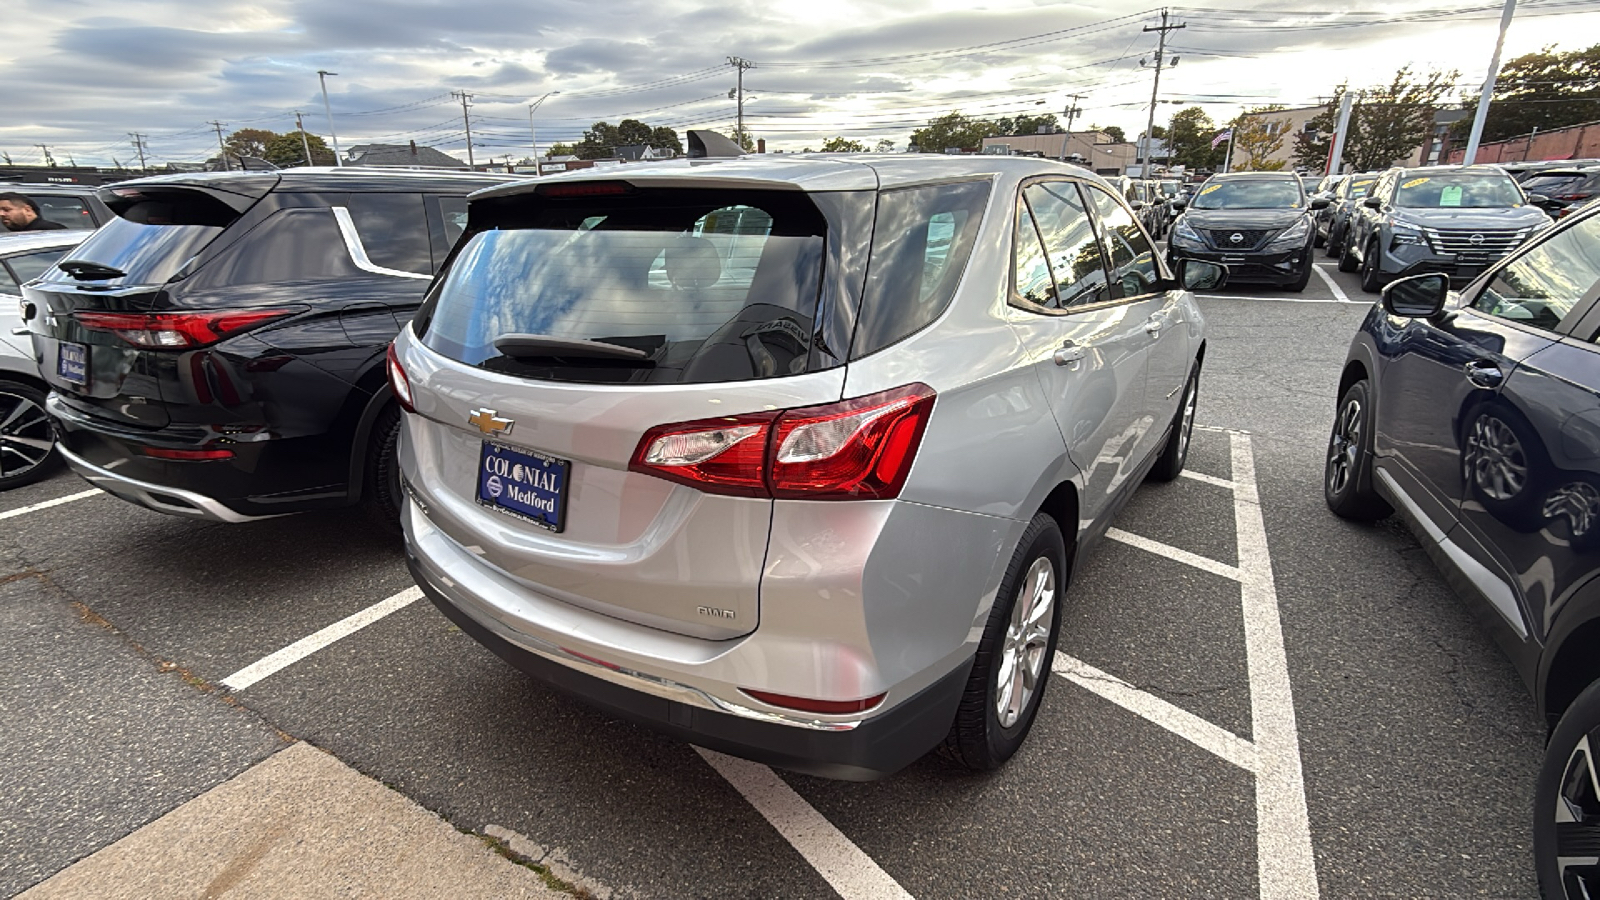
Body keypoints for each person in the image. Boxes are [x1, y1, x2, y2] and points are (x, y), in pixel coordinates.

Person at [0, 193, 68, 231]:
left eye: (7, 210)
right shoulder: (18, 230)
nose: (1, 214)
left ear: (27, 210)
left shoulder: (50, 231)